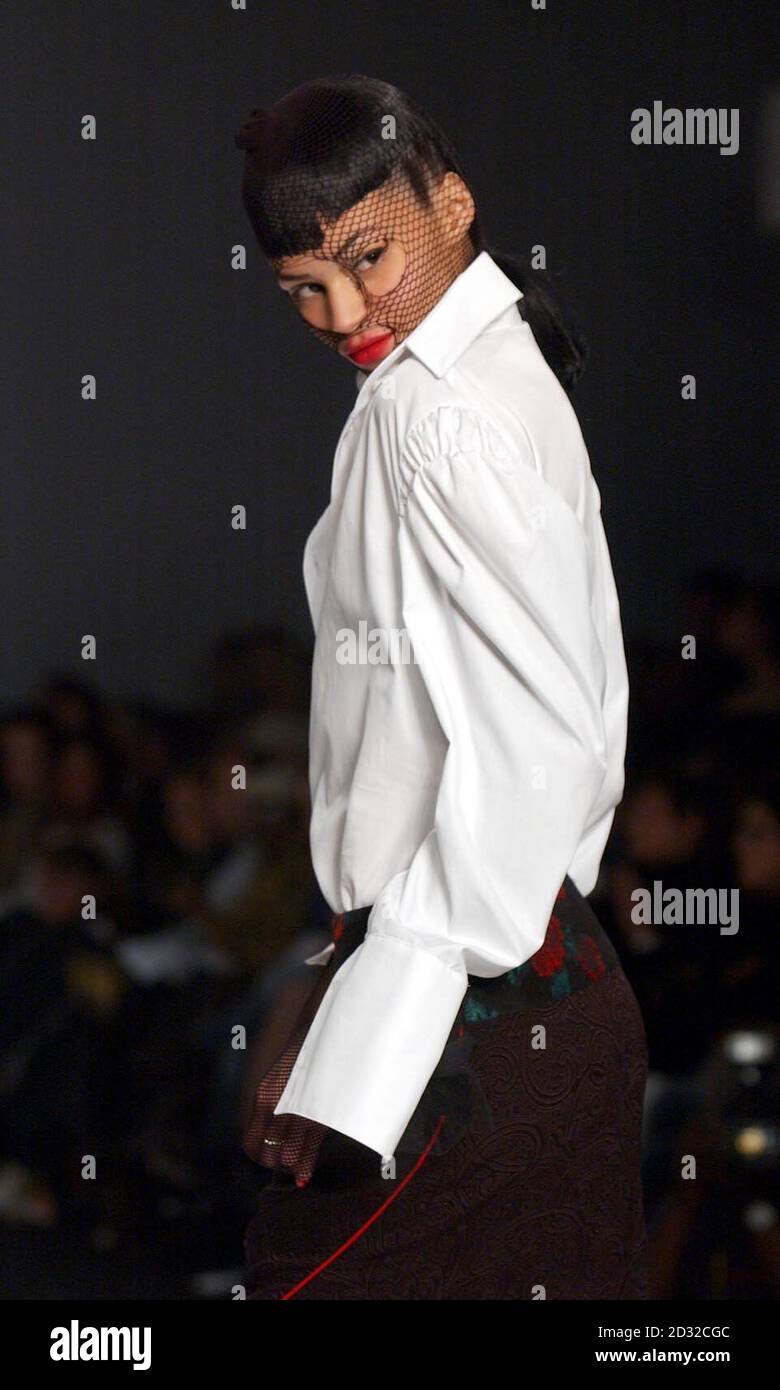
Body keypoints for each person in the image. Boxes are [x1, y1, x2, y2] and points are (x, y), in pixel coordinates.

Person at [233, 74, 648, 1300]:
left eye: (369, 258)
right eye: (305, 286)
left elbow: (536, 748)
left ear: (452, 202)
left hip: (482, 1009)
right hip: (523, 987)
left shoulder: (438, 412)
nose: (345, 309)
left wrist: (366, 1032)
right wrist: (342, 970)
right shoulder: (439, 379)